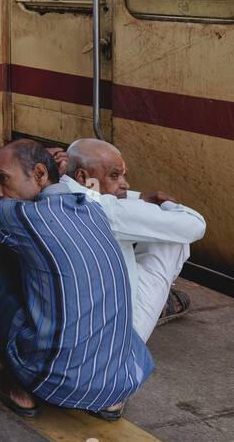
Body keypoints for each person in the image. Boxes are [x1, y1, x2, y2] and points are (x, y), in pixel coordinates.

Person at [0, 139, 153, 420]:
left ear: (39, 174)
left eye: (2, 180)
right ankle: (109, 401)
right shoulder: (93, 210)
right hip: (123, 379)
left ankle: (19, 386)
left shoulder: (20, 215)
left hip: (55, 381)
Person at [57, 139, 204, 341]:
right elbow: (195, 225)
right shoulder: (108, 211)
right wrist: (165, 205)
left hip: (72, 326)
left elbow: (105, 199)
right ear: (82, 176)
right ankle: (158, 303)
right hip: (120, 338)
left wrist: (137, 198)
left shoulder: (55, 194)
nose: (125, 184)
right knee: (173, 238)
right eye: (114, 176)